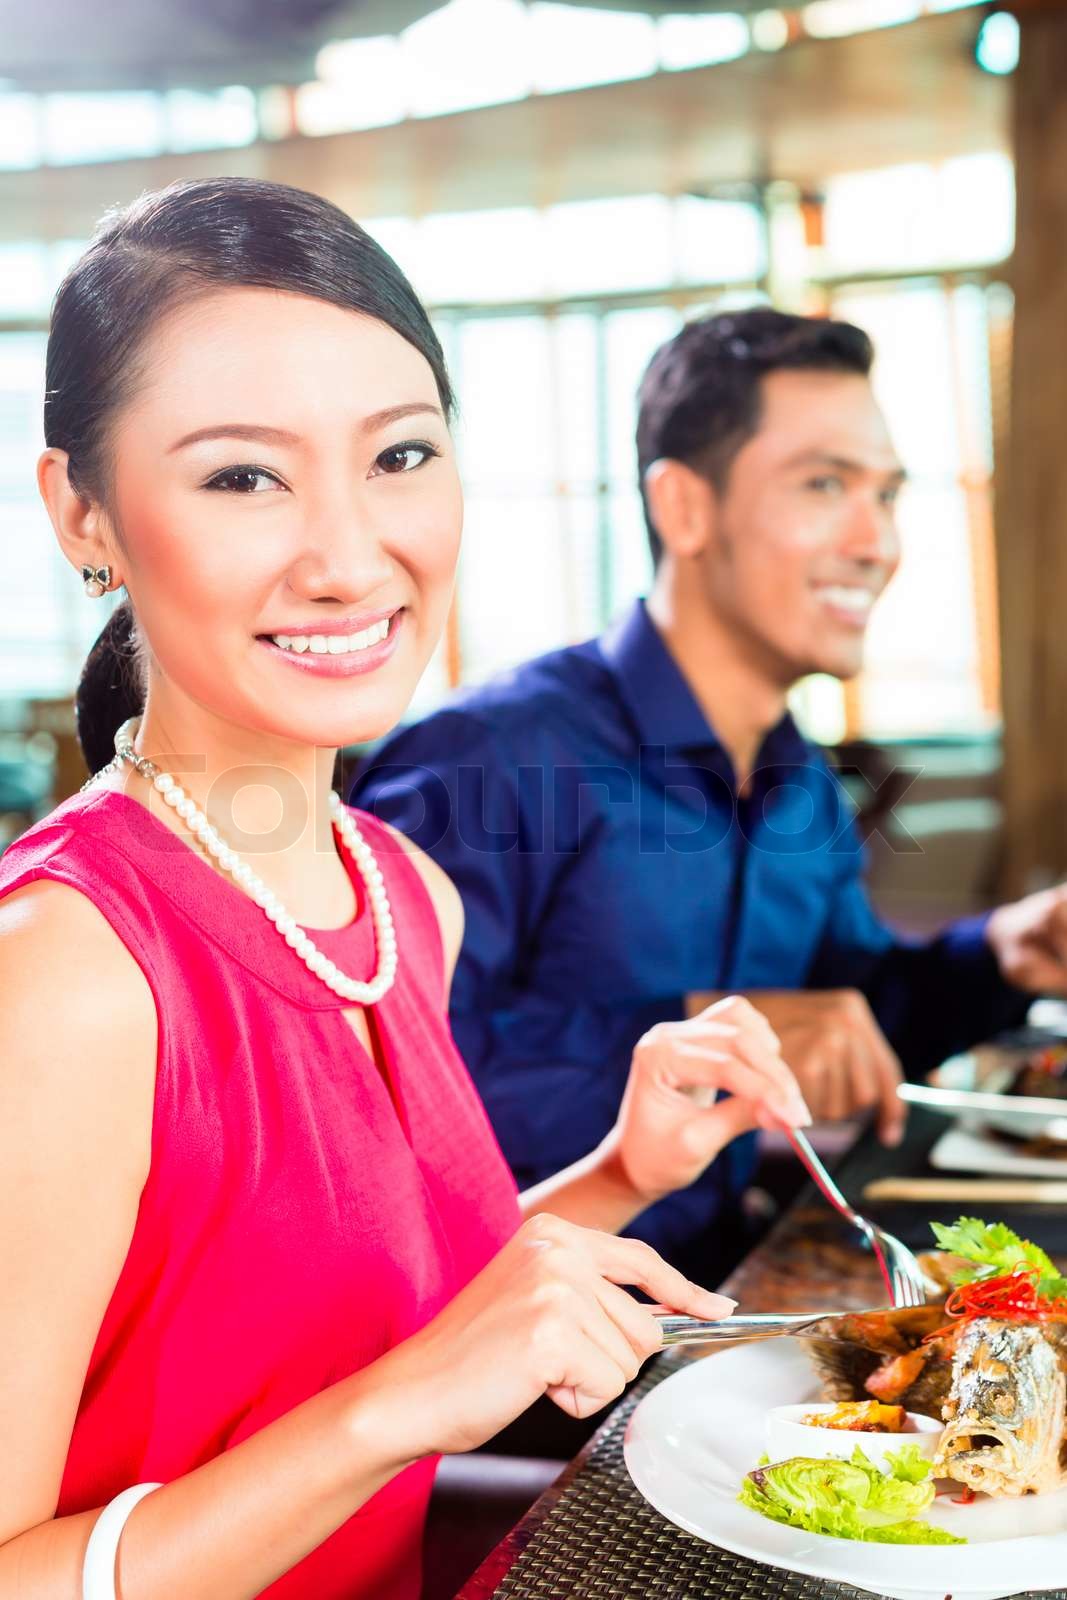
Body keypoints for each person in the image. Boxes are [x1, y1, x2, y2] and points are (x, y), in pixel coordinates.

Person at [0, 182, 810, 1600]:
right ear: (84, 512)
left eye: (399, 455)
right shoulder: (63, 974)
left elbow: (367, 1335)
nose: (347, 556)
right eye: (242, 476)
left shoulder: (397, 894)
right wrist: (394, 1412)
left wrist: (625, 1173)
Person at [354, 307, 1067, 1282]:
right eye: (824, 484)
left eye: (887, 494)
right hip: (510, 1342)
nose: (877, 541)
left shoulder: (798, 776)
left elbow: (844, 1013)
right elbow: (373, 1086)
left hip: (714, 1291)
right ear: (683, 507)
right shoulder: (486, 758)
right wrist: (695, 1028)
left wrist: (1000, 951)